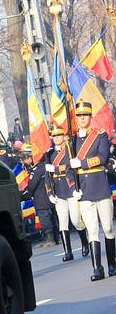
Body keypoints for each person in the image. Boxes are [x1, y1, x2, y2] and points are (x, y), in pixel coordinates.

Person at [70, 100, 114, 280]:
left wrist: (82, 163)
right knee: (92, 229)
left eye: (85, 115)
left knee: (109, 228)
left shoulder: (100, 136)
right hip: (84, 190)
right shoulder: (70, 141)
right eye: (79, 116)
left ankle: (112, 263)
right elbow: (68, 167)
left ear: (90, 117)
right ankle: (97, 268)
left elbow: (103, 157)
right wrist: (74, 187)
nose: (81, 119)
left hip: (100, 187)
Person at [44, 127, 89, 261]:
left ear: (64, 136)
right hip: (58, 191)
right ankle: (67, 252)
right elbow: (47, 175)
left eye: (60, 135)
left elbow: (70, 167)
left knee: (75, 220)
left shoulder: (69, 150)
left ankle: (85, 242)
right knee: (62, 222)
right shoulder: (49, 154)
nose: (57, 138)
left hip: (70, 189)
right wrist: (50, 193)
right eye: (55, 136)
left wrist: (56, 168)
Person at [24, 147, 59, 247]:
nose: (24, 161)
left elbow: (31, 186)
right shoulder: (44, 166)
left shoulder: (36, 170)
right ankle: (56, 238)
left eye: (26, 158)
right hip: (48, 197)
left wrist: (25, 195)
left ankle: (50, 239)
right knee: (52, 217)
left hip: (41, 199)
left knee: (45, 218)